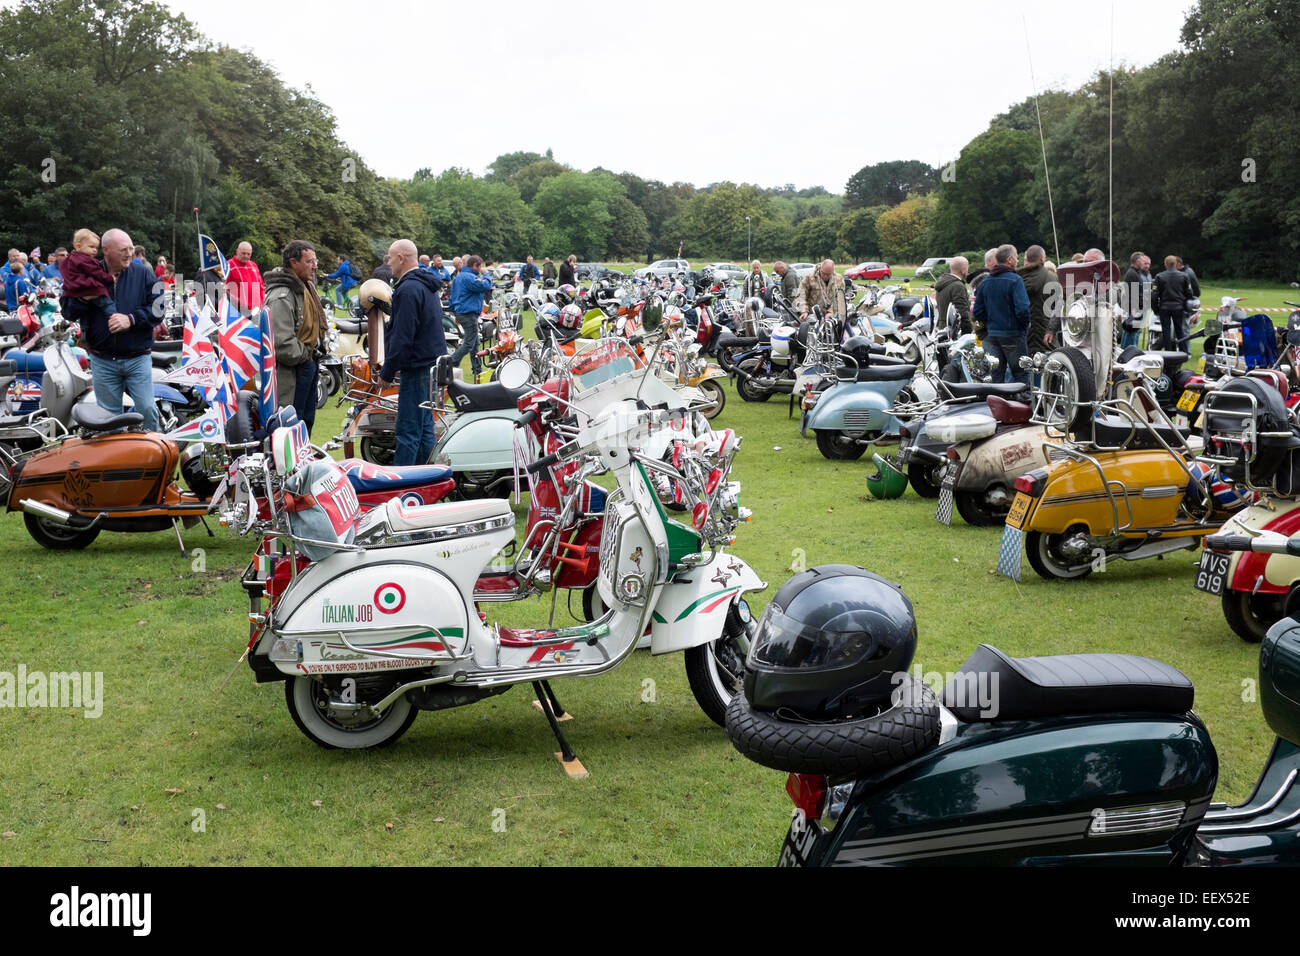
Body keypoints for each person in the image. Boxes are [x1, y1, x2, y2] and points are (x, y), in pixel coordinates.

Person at [82, 228, 163, 432]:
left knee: (147, 409)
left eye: (131, 249)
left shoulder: (143, 272)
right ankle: (117, 462)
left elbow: (159, 307)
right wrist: (82, 298)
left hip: (137, 358)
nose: (129, 254)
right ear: (106, 250)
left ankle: (155, 458)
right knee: (109, 419)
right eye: (123, 250)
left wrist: (131, 319)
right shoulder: (89, 275)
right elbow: (67, 310)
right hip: (103, 360)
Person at [376, 239, 446, 466]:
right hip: (429, 365)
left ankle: (401, 484)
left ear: (401, 258)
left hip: (417, 368)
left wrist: (387, 372)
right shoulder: (426, 284)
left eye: (390, 257)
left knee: (407, 429)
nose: (388, 263)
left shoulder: (408, 289)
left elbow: (402, 336)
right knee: (424, 427)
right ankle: (428, 479)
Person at [265, 240, 327, 434]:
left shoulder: (304, 287)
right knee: (292, 425)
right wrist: (304, 357)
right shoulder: (282, 294)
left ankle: (304, 461)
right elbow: (281, 342)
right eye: (309, 262)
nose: (315, 266)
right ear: (293, 262)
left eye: (314, 261)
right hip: (294, 369)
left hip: (307, 362)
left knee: (306, 422)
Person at [971, 245, 1031, 386]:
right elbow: (1023, 309)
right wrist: (1023, 328)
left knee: (995, 376)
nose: (1018, 260)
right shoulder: (1015, 280)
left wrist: (986, 331)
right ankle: (1020, 406)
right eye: (1016, 256)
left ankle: (995, 406)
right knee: (1020, 375)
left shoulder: (985, 282)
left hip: (991, 336)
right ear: (1010, 259)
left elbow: (977, 312)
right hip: (1013, 334)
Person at [447, 255, 493, 382]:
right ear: (475, 265)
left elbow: (452, 296)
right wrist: (486, 275)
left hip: (462, 312)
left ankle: (477, 370)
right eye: (479, 266)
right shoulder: (470, 277)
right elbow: (485, 286)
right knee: (469, 343)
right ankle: (450, 364)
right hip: (468, 313)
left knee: (475, 342)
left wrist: (455, 312)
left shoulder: (458, 277)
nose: (480, 269)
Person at [1153, 255, 1193, 351]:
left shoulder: (1159, 276)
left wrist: (1156, 309)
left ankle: (1168, 351)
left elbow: (1154, 295)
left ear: (1165, 264)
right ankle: (1184, 351)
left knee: (1166, 331)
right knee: (1180, 330)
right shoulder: (1184, 276)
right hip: (1178, 307)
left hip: (1164, 307)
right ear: (1175, 264)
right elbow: (1189, 293)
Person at [1019, 245, 1052, 353]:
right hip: (1046, 331)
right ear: (1043, 259)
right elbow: (1058, 307)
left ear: (1026, 260)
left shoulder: (1017, 279)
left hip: (1023, 332)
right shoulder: (1053, 277)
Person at [1120, 252, 1152, 350]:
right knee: (1131, 333)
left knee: (1130, 332)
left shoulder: (1135, 273)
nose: (1144, 263)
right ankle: (1129, 353)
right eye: (1143, 261)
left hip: (1135, 308)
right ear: (1137, 262)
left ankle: (1127, 351)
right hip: (1134, 309)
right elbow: (1134, 294)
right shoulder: (1132, 274)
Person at [934, 256, 972, 336]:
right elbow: (962, 311)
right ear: (963, 270)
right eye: (967, 268)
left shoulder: (943, 282)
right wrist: (968, 331)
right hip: (955, 331)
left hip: (943, 327)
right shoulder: (958, 286)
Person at [226, 241, 266, 316]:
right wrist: (239, 304)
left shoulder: (254, 265)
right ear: (237, 251)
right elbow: (225, 289)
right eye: (243, 253)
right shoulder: (228, 266)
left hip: (256, 311)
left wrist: (261, 304)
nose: (246, 256)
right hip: (239, 312)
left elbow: (261, 286)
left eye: (248, 254)